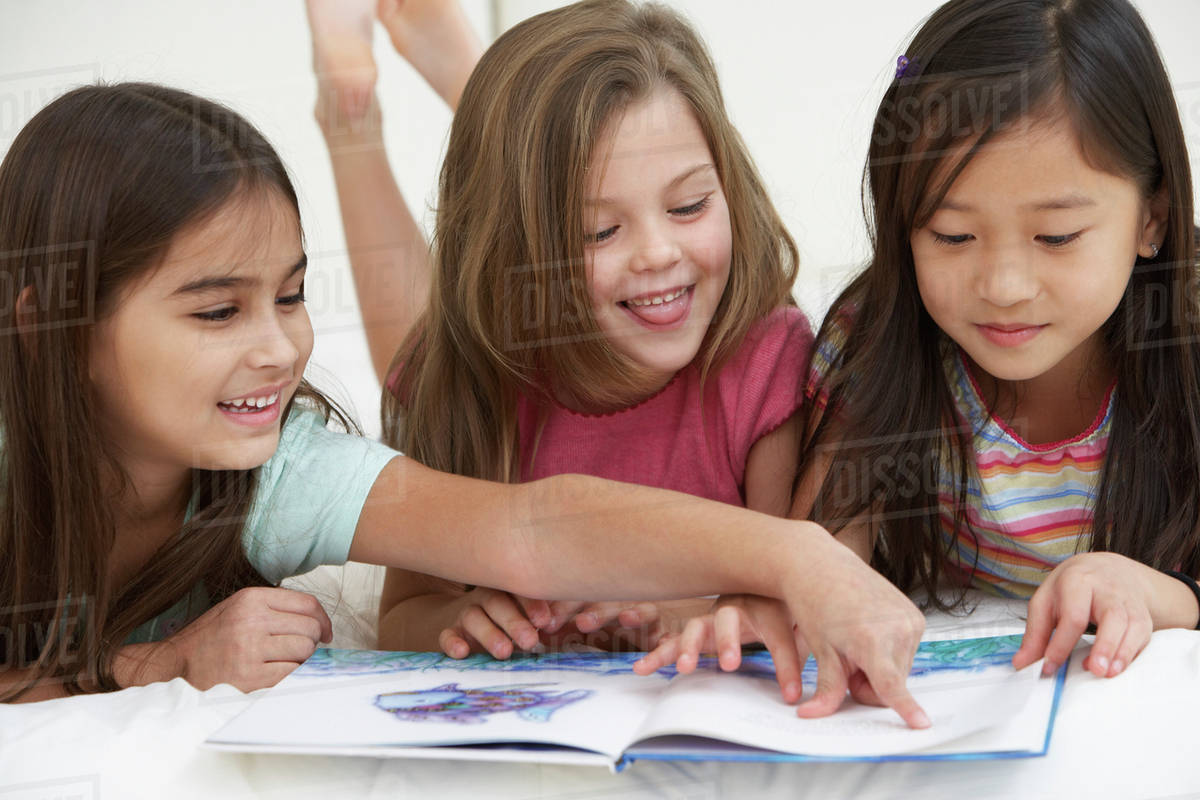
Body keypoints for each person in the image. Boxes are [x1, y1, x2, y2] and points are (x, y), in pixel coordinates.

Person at [0, 82, 929, 729]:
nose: (280, 348)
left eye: (288, 297)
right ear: (53, 326)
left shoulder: (282, 459)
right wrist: (157, 667)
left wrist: (796, 552)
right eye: (216, 311)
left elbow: (530, 526)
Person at [307, 0, 814, 690]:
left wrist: (678, 609)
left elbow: (787, 578)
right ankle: (351, 114)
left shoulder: (761, 361)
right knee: (426, 349)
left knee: (551, 162)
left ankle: (471, 78)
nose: (660, 253)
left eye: (690, 206)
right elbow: (405, 612)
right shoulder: (469, 386)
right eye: (598, 233)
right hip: (502, 338)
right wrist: (458, 619)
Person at [789, 0, 1200, 683]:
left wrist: (1160, 592)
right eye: (952, 236)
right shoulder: (877, 340)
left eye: (1056, 237)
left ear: (1152, 217)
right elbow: (817, 560)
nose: (1005, 286)